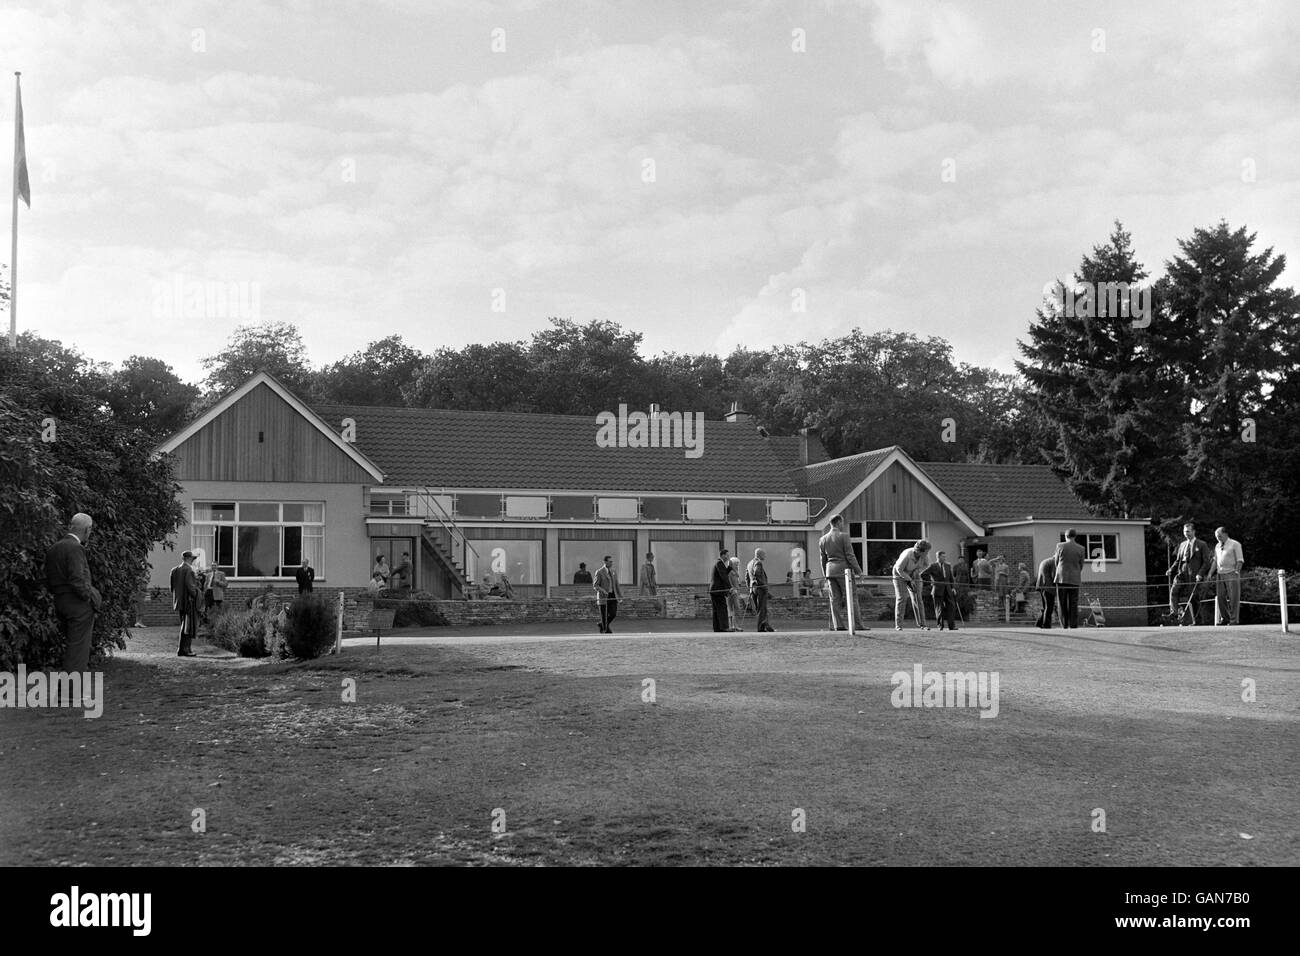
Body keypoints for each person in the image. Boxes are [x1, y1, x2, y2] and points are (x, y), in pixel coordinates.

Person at [44, 513, 103, 674]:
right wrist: (90, 598)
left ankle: (69, 692)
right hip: (78, 605)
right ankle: (71, 694)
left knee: (72, 648)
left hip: (60, 601)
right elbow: (78, 579)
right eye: (90, 530)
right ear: (87, 529)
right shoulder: (76, 548)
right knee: (78, 652)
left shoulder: (54, 548)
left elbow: (49, 579)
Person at [819, 515, 864, 631]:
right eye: (842, 522)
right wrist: (859, 571)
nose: (842, 524)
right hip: (844, 571)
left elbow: (822, 559)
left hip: (830, 571)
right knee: (852, 597)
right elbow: (850, 555)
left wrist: (825, 574)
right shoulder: (844, 536)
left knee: (834, 598)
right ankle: (857, 624)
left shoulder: (823, 539)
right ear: (838, 522)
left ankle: (837, 625)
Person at [1169, 522, 1213, 625]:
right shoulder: (1182, 544)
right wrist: (1171, 569)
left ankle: (1198, 621)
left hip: (1194, 573)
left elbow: (1207, 562)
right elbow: (1178, 560)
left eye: (1188, 531)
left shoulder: (1202, 544)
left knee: (1193, 597)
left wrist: (1200, 574)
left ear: (1193, 531)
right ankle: (1175, 612)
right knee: (1174, 591)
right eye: (1184, 532)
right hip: (1182, 571)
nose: (1186, 534)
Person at [892, 540, 931, 630]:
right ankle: (898, 625)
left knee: (918, 599)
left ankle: (923, 624)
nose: (928, 553)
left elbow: (927, 565)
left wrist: (917, 571)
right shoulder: (907, 555)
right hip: (899, 575)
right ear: (920, 551)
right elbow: (899, 569)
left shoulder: (924, 556)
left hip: (914, 574)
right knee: (902, 598)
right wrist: (909, 580)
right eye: (926, 551)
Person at [170, 549, 201, 657]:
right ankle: (186, 649)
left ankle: (181, 649)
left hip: (179, 601)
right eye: (192, 558)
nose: (193, 561)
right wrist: (198, 594)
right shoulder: (189, 570)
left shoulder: (174, 570)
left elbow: (172, 587)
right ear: (188, 558)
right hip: (189, 602)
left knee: (184, 625)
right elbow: (191, 588)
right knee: (188, 626)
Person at [1054, 530, 1086, 629]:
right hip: (1075, 578)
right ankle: (1073, 624)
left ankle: (1064, 624)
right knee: (1073, 603)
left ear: (1066, 536)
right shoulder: (1081, 548)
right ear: (1075, 536)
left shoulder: (1060, 546)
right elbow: (1081, 564)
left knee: (1062, 602)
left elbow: (1056, 562)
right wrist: (1076, 572)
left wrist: (1059, 571)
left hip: (1061, 578)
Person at [1212, 526, 1244, 626]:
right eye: (1216, 537)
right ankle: (1225, 618)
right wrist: (1210, 573)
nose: (1218, 538)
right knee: (1220, 597)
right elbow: (1215, 561)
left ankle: (1234, 620)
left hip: (1232, 573)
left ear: (1225, 534)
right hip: (1220, 573)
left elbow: (1240, 560)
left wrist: (1236, 572)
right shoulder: (1217, 545)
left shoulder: (1235, 544)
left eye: (1219, 536)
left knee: (1233, 597)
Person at [922, 549, 957, 630]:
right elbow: (923, 574)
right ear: (938, 557)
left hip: (948, 590)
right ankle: (940, 626)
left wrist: (953, 588)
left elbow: (951, 578)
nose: (945, 558)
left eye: (945, 556)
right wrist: (931, 582)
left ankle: (952, 626)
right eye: (943, 557)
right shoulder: (933, 566)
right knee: (939, 608)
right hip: (937, 590)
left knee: (951, 607)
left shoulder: (948, 566)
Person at [746, 548, 774, 632]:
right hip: (760, 588)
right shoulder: (758, 562)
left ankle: (764, 626)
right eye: (764, 554)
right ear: (759, 554)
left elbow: (747, 577)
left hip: (753, 589)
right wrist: (764, 587)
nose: (765, 556)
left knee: (760, 609)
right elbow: (757, 573)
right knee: (762, 608)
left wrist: (750, 589)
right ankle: (761, 628)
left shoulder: (749, 563)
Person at [709, 549, 733, 633]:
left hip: (714, 589)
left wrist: (729, 568)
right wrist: (730, 587)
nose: (728, 557)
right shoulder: (720, 563)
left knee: (716, 610)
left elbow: (723, 573)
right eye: (727, 555)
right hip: (718, 590)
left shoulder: (717, 563)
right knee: (722, 608)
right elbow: (724, 576)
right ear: (722, 555)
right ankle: (724, 627)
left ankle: (717, 628)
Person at [594, 554, 619, 633]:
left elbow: (616, 585)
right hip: (603, 596)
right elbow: (595, 585)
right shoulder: (599, 572)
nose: (611, 563)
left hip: (613, 595)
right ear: (605, 562)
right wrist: (603, 591)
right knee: (604, 615)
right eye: (610, 561)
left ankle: (602, 624)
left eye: (612, 561)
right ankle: (605, 630)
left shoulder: (613, 571)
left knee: (613, 613)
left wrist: (620, 595)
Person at [1035, 553, 1057, 629]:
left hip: (1041, 585)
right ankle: (1046, 624)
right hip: (1048, 587)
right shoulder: (1054, 562)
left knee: (1045, 606)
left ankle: (1039, 622)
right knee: (1049, 606)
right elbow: (1054, 576)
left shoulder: (1045, 561)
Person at [727, 556, 746, 631]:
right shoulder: (730, 573)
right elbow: (729, 582)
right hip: (732, 593)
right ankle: (732, 626)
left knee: (736, 609)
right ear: (732, 564)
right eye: (736, 564)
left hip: (736, 592)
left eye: (738, 564)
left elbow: (738, 583)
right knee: (733, 609)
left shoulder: (736, 572)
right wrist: (733, 589)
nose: (738, 565)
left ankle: (735, 626)